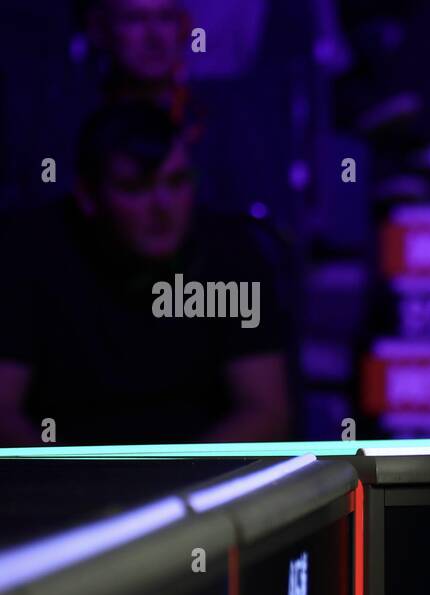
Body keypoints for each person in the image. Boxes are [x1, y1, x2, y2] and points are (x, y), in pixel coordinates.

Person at [0, 100, 291, 445]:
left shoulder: (231, 253)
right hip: (60, 482)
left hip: (199, 483)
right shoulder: (29, 252)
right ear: (88, 196)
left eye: (177, 181)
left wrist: (178, 487)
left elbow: (266, 412)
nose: (163, 207)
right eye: (136, 188)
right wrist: (73, 486)